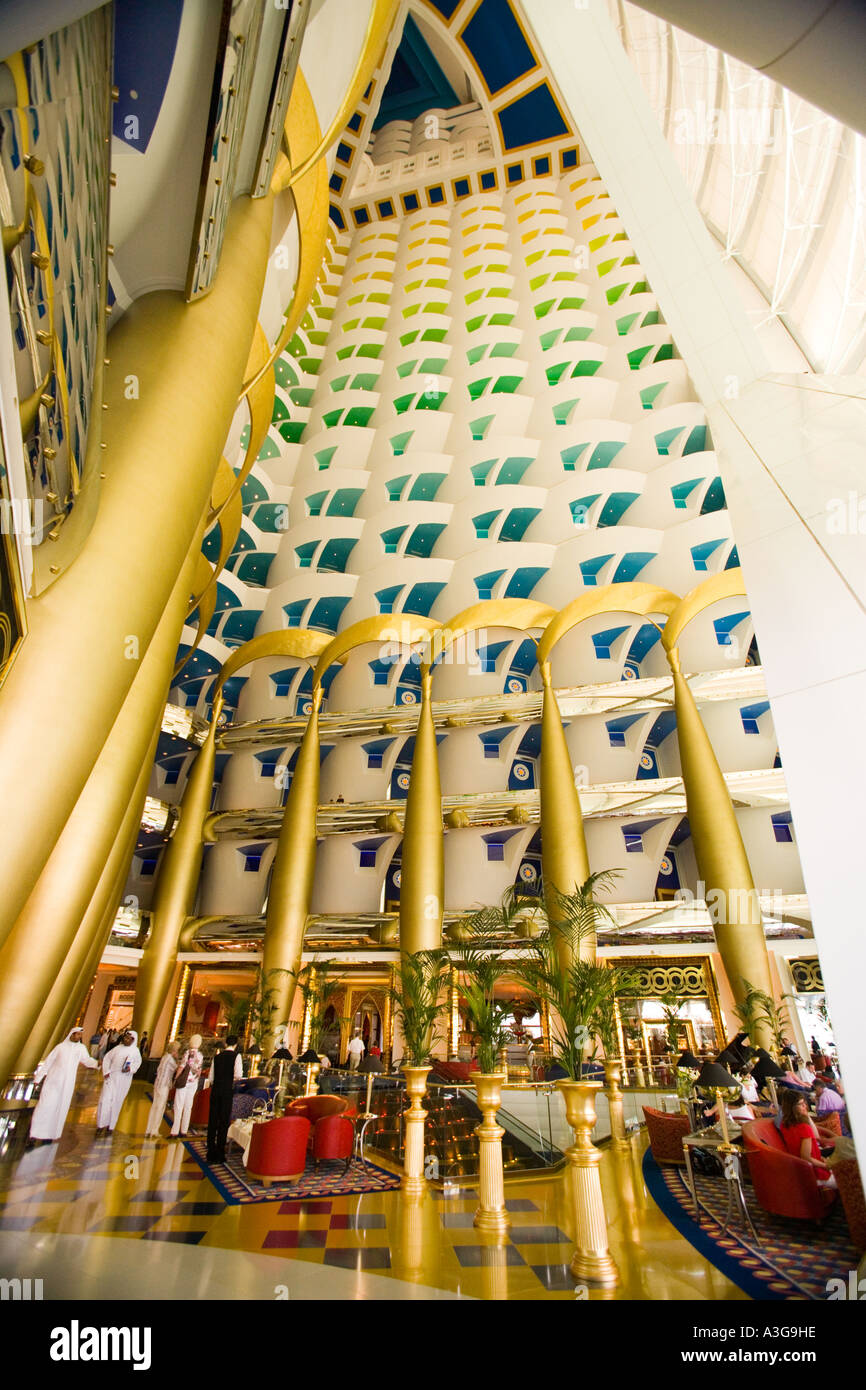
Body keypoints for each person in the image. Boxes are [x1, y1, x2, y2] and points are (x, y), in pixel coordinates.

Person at [29, 1028, 98, 1144]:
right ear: (71, 1034)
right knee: (44, 1106)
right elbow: (48, 1063)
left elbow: (87, 1060)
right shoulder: (60, 1047)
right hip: (53, 1082)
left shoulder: (81, 1048)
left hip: (67, 1085)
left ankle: (51, 1134)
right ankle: (34, 1134)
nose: (79, 1037)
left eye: (80, 1035)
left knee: (60, 1108)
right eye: (77, 1034)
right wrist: (38, 1078)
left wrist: (97, 1064)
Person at [778, 1088, 835, 1185]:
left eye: (804, 1103)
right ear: (793, 1107)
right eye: (801, 1104)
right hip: (814, 1172)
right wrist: (826, 1166)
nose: (805, 1106)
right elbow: (806, 1157)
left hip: (800, 1169)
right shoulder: (804, 1128)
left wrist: (806, 1116)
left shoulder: (785, 1124)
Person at [95, 1030, 142, 1136]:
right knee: (105, 1100)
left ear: (133, 1040)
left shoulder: (135, 1051)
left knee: (116, 1102)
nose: (125, 1039)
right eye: (125, 1037)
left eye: (128, 1038)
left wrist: (129, 1069)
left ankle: (110, 1126)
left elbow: (137, 1064)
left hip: (124, 1080)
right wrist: (106, 1071)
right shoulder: (117, 1048)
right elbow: (107, 1058)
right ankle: (100, 1125)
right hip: (111, 1078)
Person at [206, 1034, 242, 1164]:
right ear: (236, 1045)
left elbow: (211, 1078)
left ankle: (210, 1150)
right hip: (227, 1090)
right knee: (223, 1120)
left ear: (226, 1044)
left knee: (213, 1119)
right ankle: (220, 1151)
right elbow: (238, 1075)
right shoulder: (236, 1056)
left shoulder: (217, 1057)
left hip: (216, 1089)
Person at [144, 1041, 180, 1137]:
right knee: (160, 1107)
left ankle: (148, 1129)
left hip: (157, 1084)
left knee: (154, 1106)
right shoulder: (171, 1060)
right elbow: (178, 1069)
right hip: (164, 1086)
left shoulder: (164, 1057)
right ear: (174, 1050)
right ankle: (154, 1131)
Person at [170, 1034, 204, 1138]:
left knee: (178, 1105)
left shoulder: (188, 1053)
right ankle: (184, 1130)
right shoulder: (200, 1055)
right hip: (193, 1083)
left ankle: (174, 1131)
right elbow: (199, 1071)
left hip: (184, 1082)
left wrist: (175, 1078)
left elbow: (181, 1066)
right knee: (188, 1106)